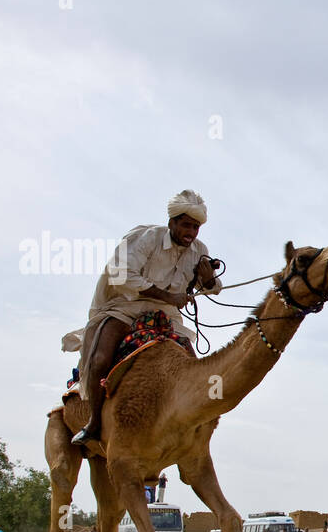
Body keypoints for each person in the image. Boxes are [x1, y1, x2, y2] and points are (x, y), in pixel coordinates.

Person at [62, 190, 224, 450]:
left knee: (195, 369)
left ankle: (192, 431)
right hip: (127, 307)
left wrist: (207, 279)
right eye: (186, 225)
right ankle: (93, 423)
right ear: (171, 222)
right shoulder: (148, 239)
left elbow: (214, 288)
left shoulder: (199, 251)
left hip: (167, 316)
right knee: (100, 359)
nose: (191, 232)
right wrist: (167, 296)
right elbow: (122, 274)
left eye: (195, 227)